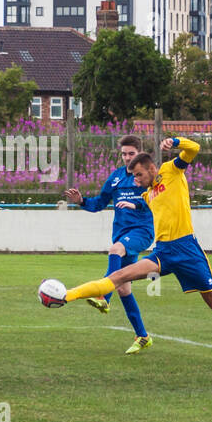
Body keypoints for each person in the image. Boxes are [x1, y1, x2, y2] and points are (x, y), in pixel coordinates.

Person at [45, 137, 212, 364]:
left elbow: (194, 148)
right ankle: (67, 296)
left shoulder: (171, 170)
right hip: (163, 253)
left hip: (188, 250)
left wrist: (175, 141)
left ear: (151, 168)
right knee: (118, 277)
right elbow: (139, 203)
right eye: (133, 176)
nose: (135, 180)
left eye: (138, 175)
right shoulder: (148, 193)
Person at [62, 135, 155, 354]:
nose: (127, 158)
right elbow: (99, 203)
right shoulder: (115, 178)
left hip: (142, 231)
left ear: (140, 154)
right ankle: (142, 336)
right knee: (124, 287)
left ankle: (104, 297)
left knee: (115, 250)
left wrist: (136, 204)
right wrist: (82, 201)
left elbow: (157, 198)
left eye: (131, 154)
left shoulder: (147, 177)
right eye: (124, 154)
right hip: (121, 234)